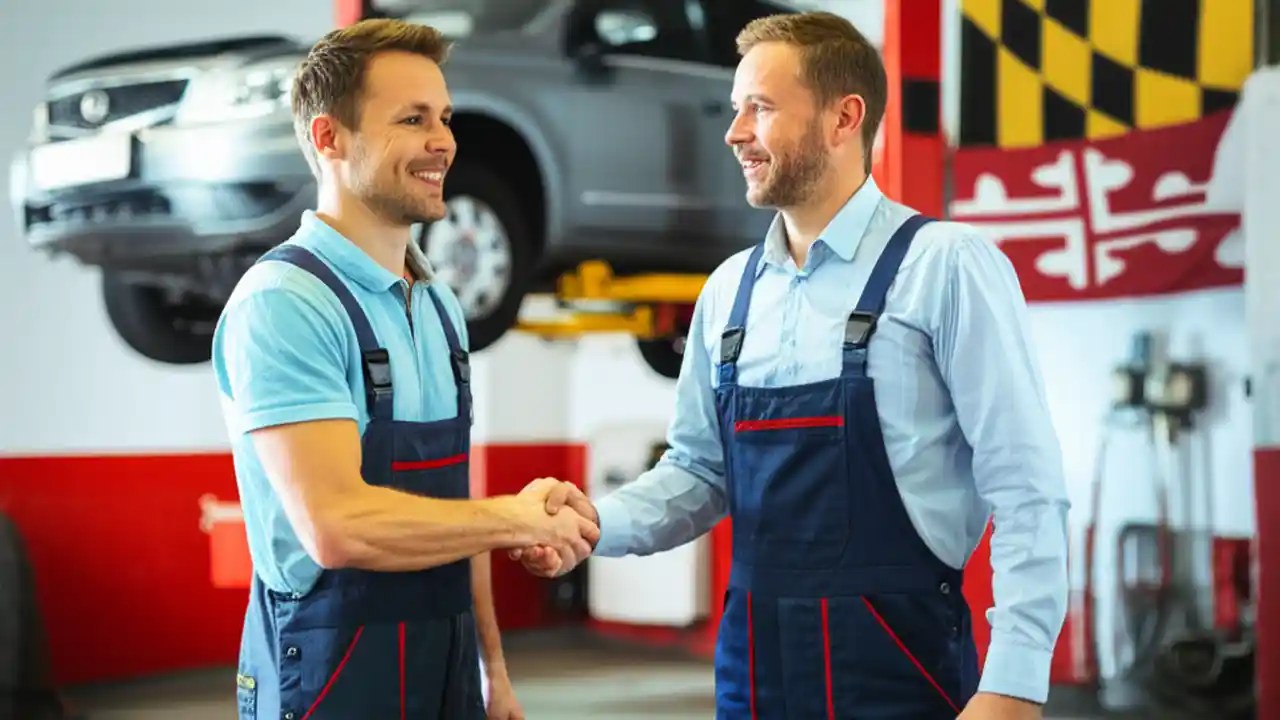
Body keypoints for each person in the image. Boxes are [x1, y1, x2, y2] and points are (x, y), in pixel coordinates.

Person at [514, 10, 1070, 720]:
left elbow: (1027, 487)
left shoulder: (946, 268)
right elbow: (700, 472)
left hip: (903, 674)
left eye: (761, 107)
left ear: (845, 118)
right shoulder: (728, 294)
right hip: (755, 678)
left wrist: (1014, 684)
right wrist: (596, 523)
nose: (734, 130)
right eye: (738, 106)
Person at [211, 18, 598, 720]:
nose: (443, 141)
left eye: (445, 118)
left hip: (445, 668)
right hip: (329, 678)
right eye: (412, 119)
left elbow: (453, 506)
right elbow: (338, 525)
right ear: (330, 139)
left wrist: (492, 671)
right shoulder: (286, 304)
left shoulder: (440, 304)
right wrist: (511, 519)